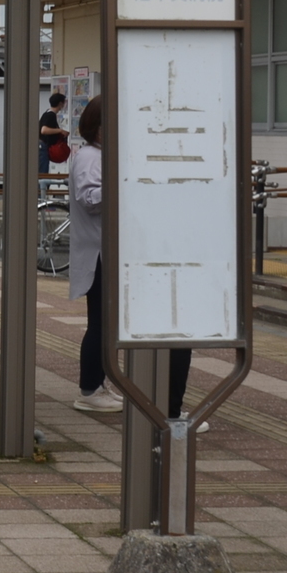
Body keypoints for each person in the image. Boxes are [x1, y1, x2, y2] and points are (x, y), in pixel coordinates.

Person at [70, 95, 196, 420]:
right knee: (101, 321)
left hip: (110, 249)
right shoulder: (89, 157)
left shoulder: (103, 155)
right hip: (100, 251)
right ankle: (90, 390)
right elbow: (89, 198)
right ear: (97, 128)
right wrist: (127, 183)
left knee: (105, 321)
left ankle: (96, 386)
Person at [39, 91, 68, 174]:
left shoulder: (47, 113)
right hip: (43, 146)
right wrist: (60, 131)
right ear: (60, 104)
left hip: (42, 146)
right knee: (43, 173)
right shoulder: (50, 115)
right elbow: (44, 130)